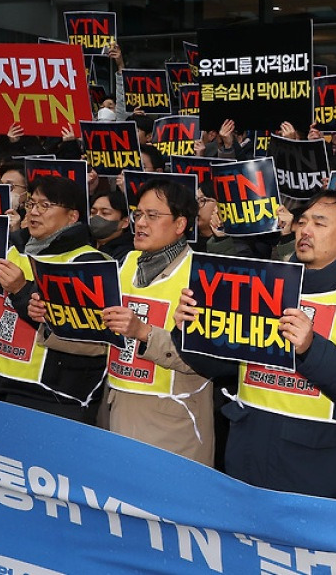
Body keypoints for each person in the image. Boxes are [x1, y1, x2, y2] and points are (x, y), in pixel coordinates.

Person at [171, 189, 336, 500]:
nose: (305, 230)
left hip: (317, 469)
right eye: (302, 222)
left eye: (319, 223)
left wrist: (311, 347)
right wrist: (189, 331)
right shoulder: (264, 285)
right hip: (247, 455)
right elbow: (223, 366)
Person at [30, 179, 215, 464]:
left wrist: (143, 332)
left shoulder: (202, 275)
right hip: (115, 410)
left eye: (152, 216)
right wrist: (52, 320)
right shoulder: (126, 264)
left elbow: (204, 359)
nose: (140, 223)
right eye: (138, 214)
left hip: (172, 425)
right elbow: (103, 340)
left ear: (180, 224)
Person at [0, 176, 110, 423]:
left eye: (45, 206)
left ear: (72, 216)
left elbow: (83, 332)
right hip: (7, 388)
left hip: (60, 398)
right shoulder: (12, 250)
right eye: (31, 204)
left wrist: (21, 290)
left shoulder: (89, 262)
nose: (34, 212)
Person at [89, 190, 132, 263]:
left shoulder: (127, 255)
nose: (97, 217)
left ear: (125, 222)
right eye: (93, 212)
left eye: (105, 213)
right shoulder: (83, 245)